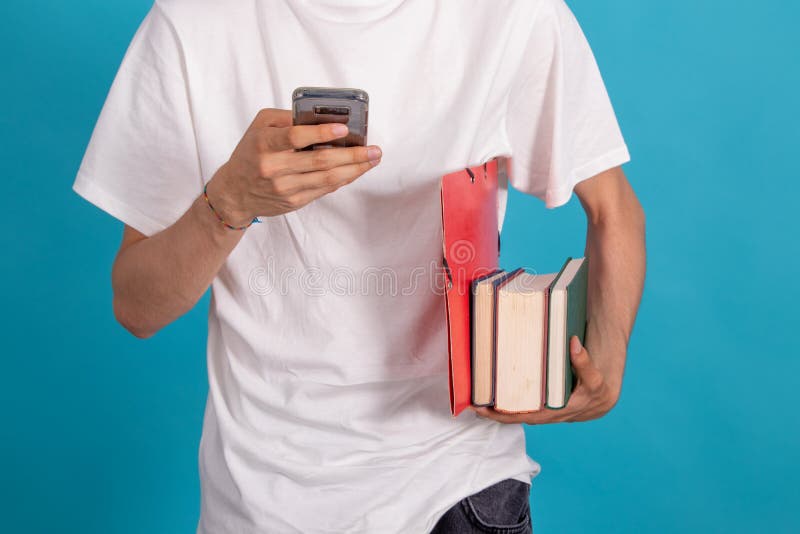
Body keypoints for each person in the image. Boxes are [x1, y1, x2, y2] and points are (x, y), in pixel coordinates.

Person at [73, 0, 646, 532]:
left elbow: (614, 208)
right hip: (259, 500)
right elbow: (137, 307)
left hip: (457, 484)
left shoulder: (512, 14)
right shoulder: (192, 22)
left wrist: (608, 359)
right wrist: (230, 202)